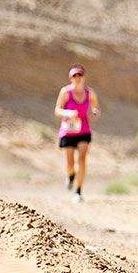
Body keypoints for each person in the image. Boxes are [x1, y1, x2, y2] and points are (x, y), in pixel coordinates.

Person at [54, 65, 99, 202]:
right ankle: (70, 175)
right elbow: (57, 110)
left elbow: (96, 108)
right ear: (70, 78)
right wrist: (68, 113)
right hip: (68, 131)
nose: (77, 78)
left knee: (82, 159)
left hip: (84, 130)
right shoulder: (65, 92)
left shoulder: (90, 93)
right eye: (74, 76)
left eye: (80, 75)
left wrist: (94, 113)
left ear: (84, 77)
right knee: (70, 162)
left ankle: (78, 191)